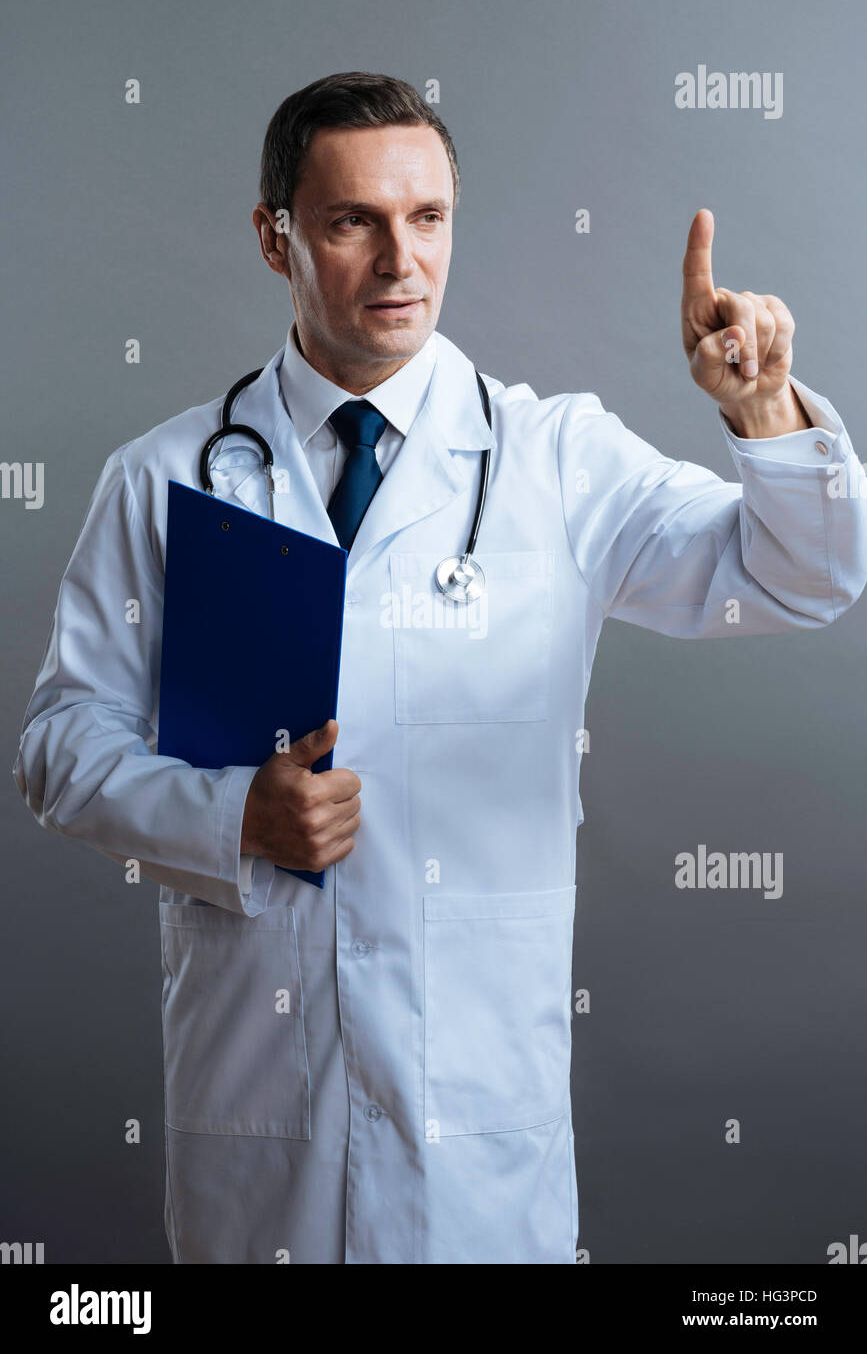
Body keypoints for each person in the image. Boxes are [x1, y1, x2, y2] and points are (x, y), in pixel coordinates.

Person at [13, 72, 867, 1265]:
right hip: (262, 1124)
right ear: (275, 238)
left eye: (427, 218)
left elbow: (801, 578)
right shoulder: (169, 477)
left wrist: (768, 413)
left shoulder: (558, 460)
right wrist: (228, 814)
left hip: (478, 1142)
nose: (398, 261)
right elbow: (58, 745)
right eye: (351, 220)